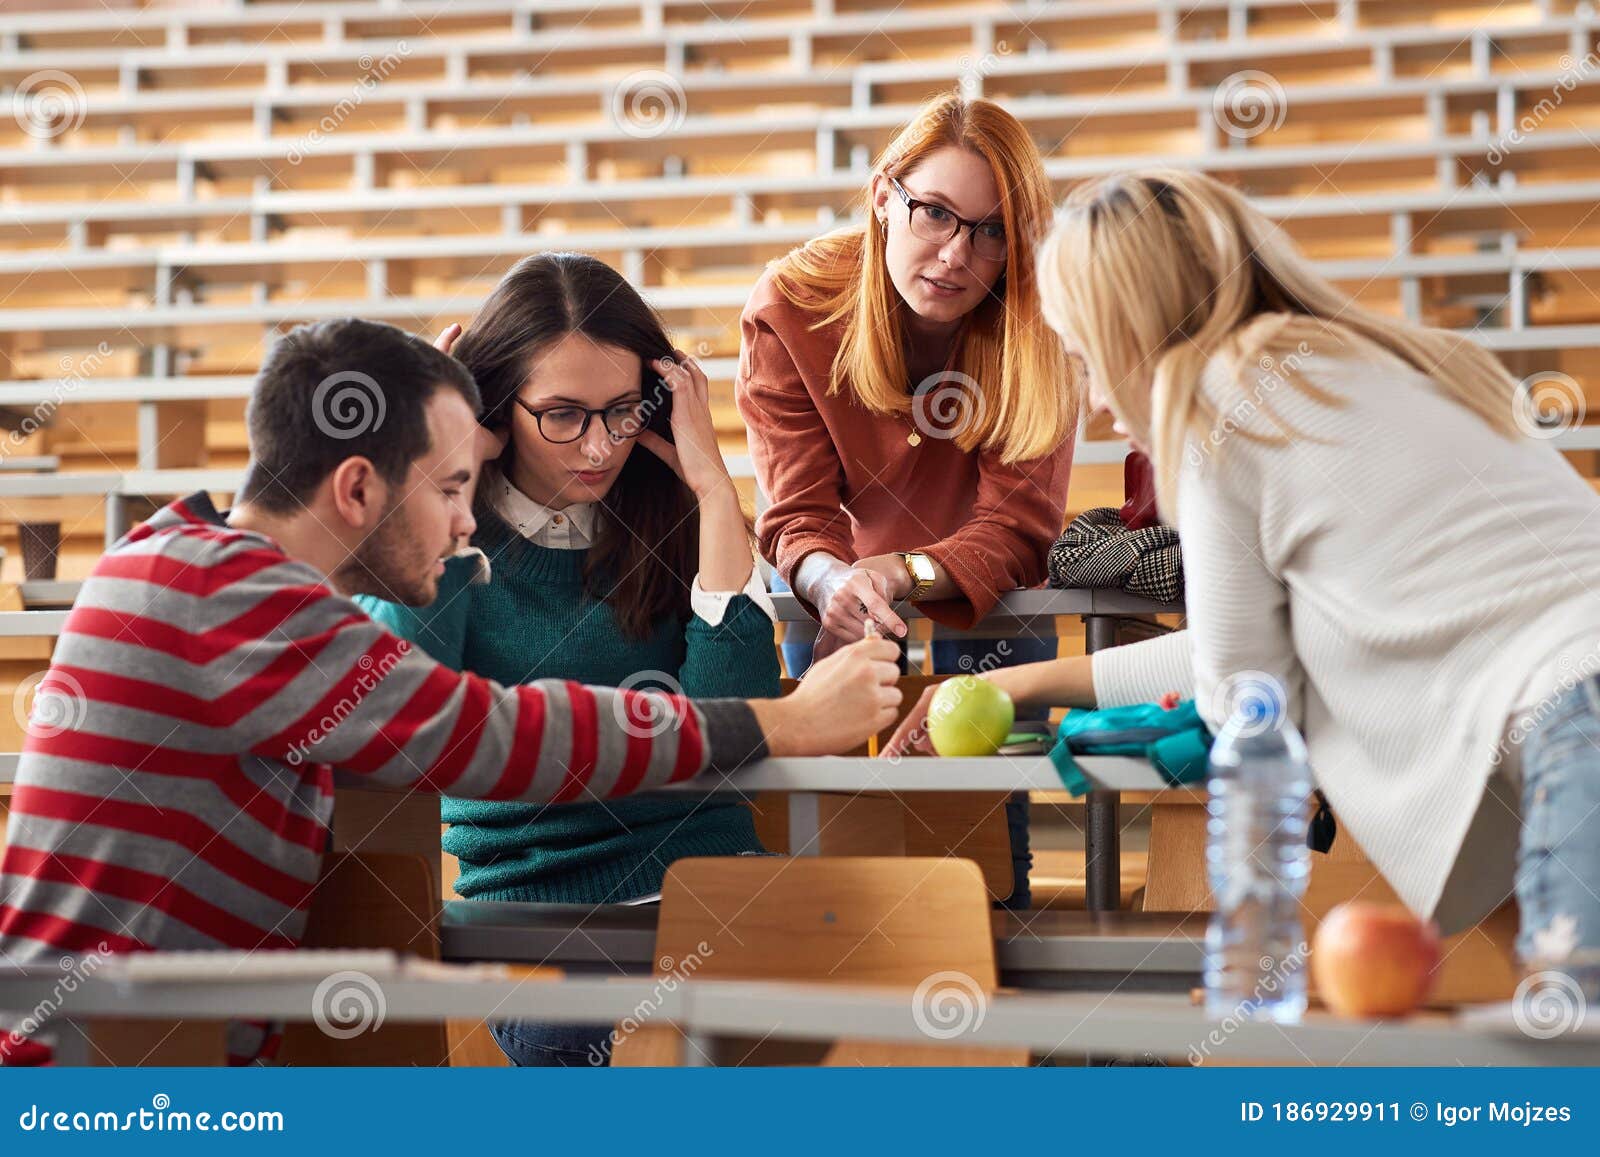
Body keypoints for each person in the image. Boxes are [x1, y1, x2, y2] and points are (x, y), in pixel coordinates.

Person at [0, 318, 901, 1065]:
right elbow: (495, 734)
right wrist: (781, 718)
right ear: (357, 487)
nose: (470, 522)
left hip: (159, 1060)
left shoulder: (178, 561)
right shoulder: (239, 601)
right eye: (450, 486)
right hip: (97, 1089)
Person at [890, 167, 1600, 972]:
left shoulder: (1217, 406)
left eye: (1086, 356)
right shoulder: (1360, 360)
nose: (1090, 401)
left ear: (1131, 329)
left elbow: (1246, 697)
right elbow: (1246, 654)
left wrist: (1174, 726)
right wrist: (1027, 686)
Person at [357, 254, 781, 1066]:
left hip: (706, 884)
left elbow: (737, 726)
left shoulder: (680, 513)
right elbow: (395, 703)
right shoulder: (446, 524)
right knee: (577, 1042)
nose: (598, 446)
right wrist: (444, 476)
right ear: (494, 407)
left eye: (622, 412)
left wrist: (717, 494)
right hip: (536, 909)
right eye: (562, 414)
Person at [735, 92, 1079, 908]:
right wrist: (834, 582)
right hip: (839, 593)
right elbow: (796, 513)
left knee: (982, 877)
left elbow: (1018, 524)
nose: (958, 255)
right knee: (836, 864)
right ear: (886, 195)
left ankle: (996, 956)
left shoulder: (1043, 322)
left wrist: (905, 570)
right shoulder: (791, 306)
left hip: (990, 597)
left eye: (991, 231)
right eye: (936, 215)